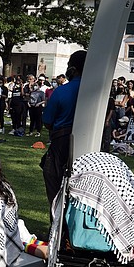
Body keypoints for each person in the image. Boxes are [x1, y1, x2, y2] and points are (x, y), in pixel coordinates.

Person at [42, 50, 85, 206]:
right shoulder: (95, 91)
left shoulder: (61, 91)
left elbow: (47, 120)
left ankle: (57, 223)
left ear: (72, 69)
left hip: (61, 142)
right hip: (89, 144)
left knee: (54, 180)